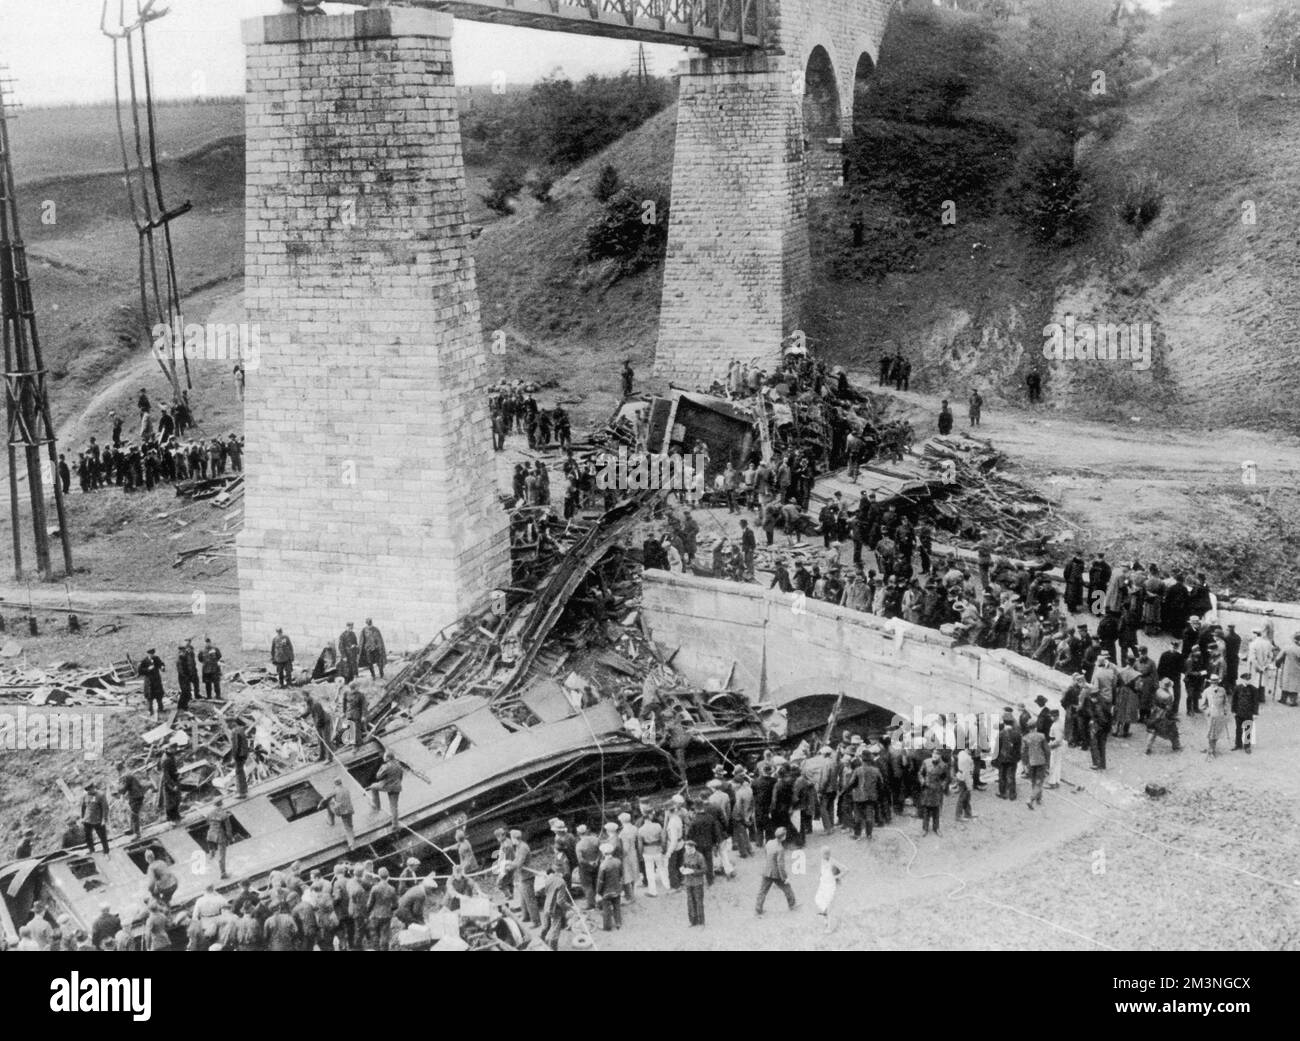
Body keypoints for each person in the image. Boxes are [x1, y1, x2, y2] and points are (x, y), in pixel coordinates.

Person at [755, 827, 798, 915]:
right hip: (776, 874)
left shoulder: (769, 842)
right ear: (783, 837)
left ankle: (758, 908)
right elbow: (780, 865)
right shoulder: (780, 849)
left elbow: (766, 853)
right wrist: (785, 877)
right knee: (787, 888)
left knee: (762, 891)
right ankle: (792, 905)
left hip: (766, 871)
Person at [813, 847, 847, 934]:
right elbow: (822, 871)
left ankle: (830, 927)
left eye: (823, 854)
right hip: (823, 885)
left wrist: (836, 877)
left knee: (829, 906)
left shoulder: (833, 861)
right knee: (818, 900)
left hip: (831, 887)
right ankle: (826, 917)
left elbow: (846, 870)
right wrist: (820, 877)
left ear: (827, 854)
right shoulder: (822, 860)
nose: (821, 855)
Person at [115, 762, 149, 840]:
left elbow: (123, 790)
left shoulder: (125, 776)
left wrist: (117, 787)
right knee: (132, 813)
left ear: (119, 770)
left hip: (136, 796)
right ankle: (132, 829)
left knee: (134, 815)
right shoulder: (127, 773)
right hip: (136, 794)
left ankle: (137, 834)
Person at [369, 750, 403, 827]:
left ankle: (377, 806)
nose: (383, 757)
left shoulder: (385, 766)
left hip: (387, 786)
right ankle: (395, 825)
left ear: (388, 758)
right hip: (397, 787)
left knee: (373, 787)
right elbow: (401, 777)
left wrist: (381, 768)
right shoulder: (399, 765)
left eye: (384, 756)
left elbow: (378, 776)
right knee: (394, 807)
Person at [918, 749, 948, 834]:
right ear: (932, 754)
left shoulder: (943, 765)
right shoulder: (926, 762)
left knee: (936, 810)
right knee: (926, 810)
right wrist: (922, 781)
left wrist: (943, 784)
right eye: (934, 753)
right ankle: (925, 828)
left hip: (937, 791)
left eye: (937, 754)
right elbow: (920, 773)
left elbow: (945, 777)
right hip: (927, 790)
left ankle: (936, 828)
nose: (935, 755)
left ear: (940, 756)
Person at [596, 842, 623, 931]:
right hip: (617, 889)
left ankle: (607, 926)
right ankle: (618, 923)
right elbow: (621, 875)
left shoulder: (603, 865)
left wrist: (598, 892)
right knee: (617, 907)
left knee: (606, 909)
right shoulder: (618, 861)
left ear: (603, 853)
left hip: (606, 892)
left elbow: (600, 881)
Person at [680, 839, 708, 926]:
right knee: (690, 902)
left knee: (698, 902)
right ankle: (692, 921)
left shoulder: (700, 857)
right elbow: (684, 864)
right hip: (688, 882)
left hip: (697, 883)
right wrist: (682, 868)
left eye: (688, 849)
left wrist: (693, 871)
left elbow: (704, 870)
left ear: (693, 848)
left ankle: (701, 921)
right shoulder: (685, 855)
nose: (687, 851)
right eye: (686, 849)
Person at [205, 797, 234, 879]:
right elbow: (228, 829)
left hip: (210, 835)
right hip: (220, 836)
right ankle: (223, 873)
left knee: (212, 852)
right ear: (222, 804)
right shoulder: (224, 815)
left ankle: (212, 853)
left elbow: (208, 822)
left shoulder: (209, 813)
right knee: (222, 855)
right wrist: (230, 838)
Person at [1022, 727, 1048, 810]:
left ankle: (1039, 798)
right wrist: (1047, 762)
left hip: (1031, 762)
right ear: (1036, 727)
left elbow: (1024, 752)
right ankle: (1031, 798)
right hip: (1041, 761)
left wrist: (1025, 763)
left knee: (1034, 781)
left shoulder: (1025, 738)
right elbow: (1047, 750)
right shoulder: (1041, 736)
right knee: (1039, 782)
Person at [80, 783, 110, 855]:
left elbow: (105, 808)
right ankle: (91, 849)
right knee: (88, 836)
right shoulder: (85, 795)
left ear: (93, 788)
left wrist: (104, 819)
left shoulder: (100, 795)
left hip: (97, 820)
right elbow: (83, 807)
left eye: (90, 790)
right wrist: (82, 817)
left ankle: (106, 851)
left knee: (102, 836)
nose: (89, 792)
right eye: (87, 791)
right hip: (87, 819)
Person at [137, 648, 165, 719]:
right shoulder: (144, 661)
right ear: (148, 654)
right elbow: (140, 671)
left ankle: (161, 708)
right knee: (150, 696)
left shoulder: (156, 658)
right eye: (150, 654)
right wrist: (147, 669)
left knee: (159, 694)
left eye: (153, 654)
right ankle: (150, 710)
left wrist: (162, 667)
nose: (152, 655)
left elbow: (161, 664)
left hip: (156, 680)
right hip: (149, 681)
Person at [1204, 680, 1229, 758]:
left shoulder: (1222, 690)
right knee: (1211, 733)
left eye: (1215, 682)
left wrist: (1225, 710)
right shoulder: (1206, 691)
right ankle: (1211, 750)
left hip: (1220, 714)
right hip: (1211, 715)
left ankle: (1212, 747)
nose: (1214, 684)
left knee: (1217, 732)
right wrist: (1207, 711)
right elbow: (1203, 705)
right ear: (1210, 683)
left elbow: (1225, 701)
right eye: (1212, 682)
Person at [1275, 632, 1300, 707]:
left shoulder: (1287, 647)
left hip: (1287, 669)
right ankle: (1293, 700)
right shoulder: (1299, 649)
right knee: (1294, 685)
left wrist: (1278, 664)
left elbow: (1278, 658)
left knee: (1285, 683)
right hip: (1297, 670)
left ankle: (1283, 699)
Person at [1231, 682, 1256, 754]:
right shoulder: (1237, 688)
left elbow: (1255, 702)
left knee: (1248, 730)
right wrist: (1233, 711)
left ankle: (1247, 746)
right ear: (1242, 679)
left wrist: (1255, 713)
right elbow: (1234, 700)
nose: (1247, 681)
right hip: (1239, 712)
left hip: (1249, 713)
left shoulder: (1253, 689)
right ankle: (1238, 744)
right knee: (1238, 729)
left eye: (1249, 679)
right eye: (1245, 679)